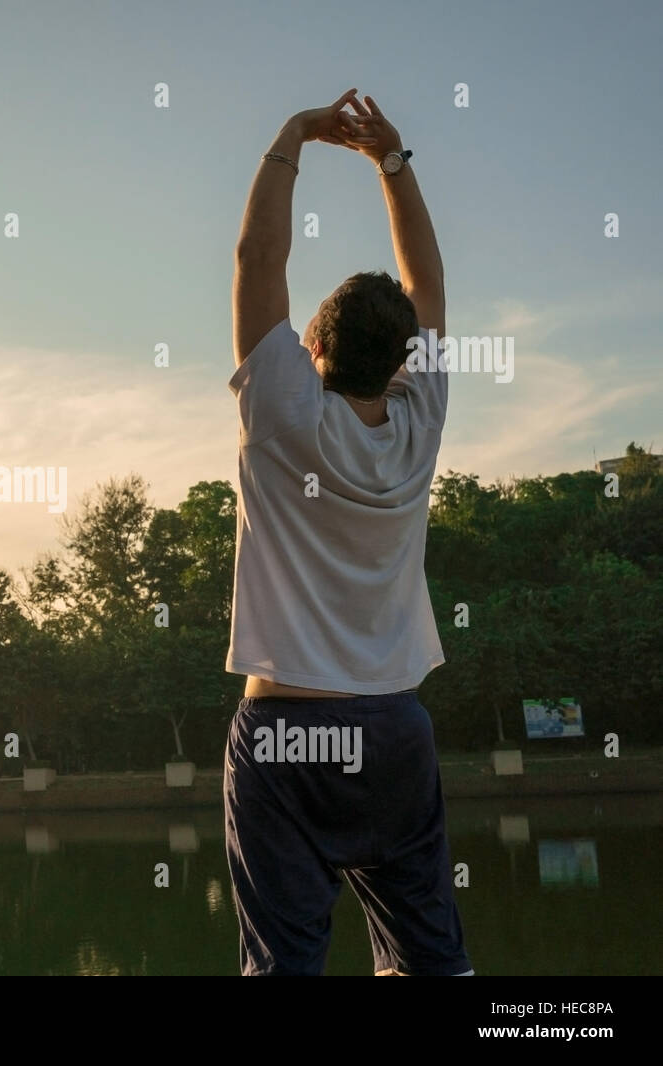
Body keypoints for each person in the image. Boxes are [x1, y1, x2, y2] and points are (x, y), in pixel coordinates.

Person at [223, 90, 471, 976]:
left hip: (290, 732)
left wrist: (292, 134)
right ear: (404, 361)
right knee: (430, 962)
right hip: (396, 730)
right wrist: (391, 161)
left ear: (312, 347)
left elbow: (259, 255)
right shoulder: (420, 422)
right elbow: (430, 288)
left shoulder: (286, 415)